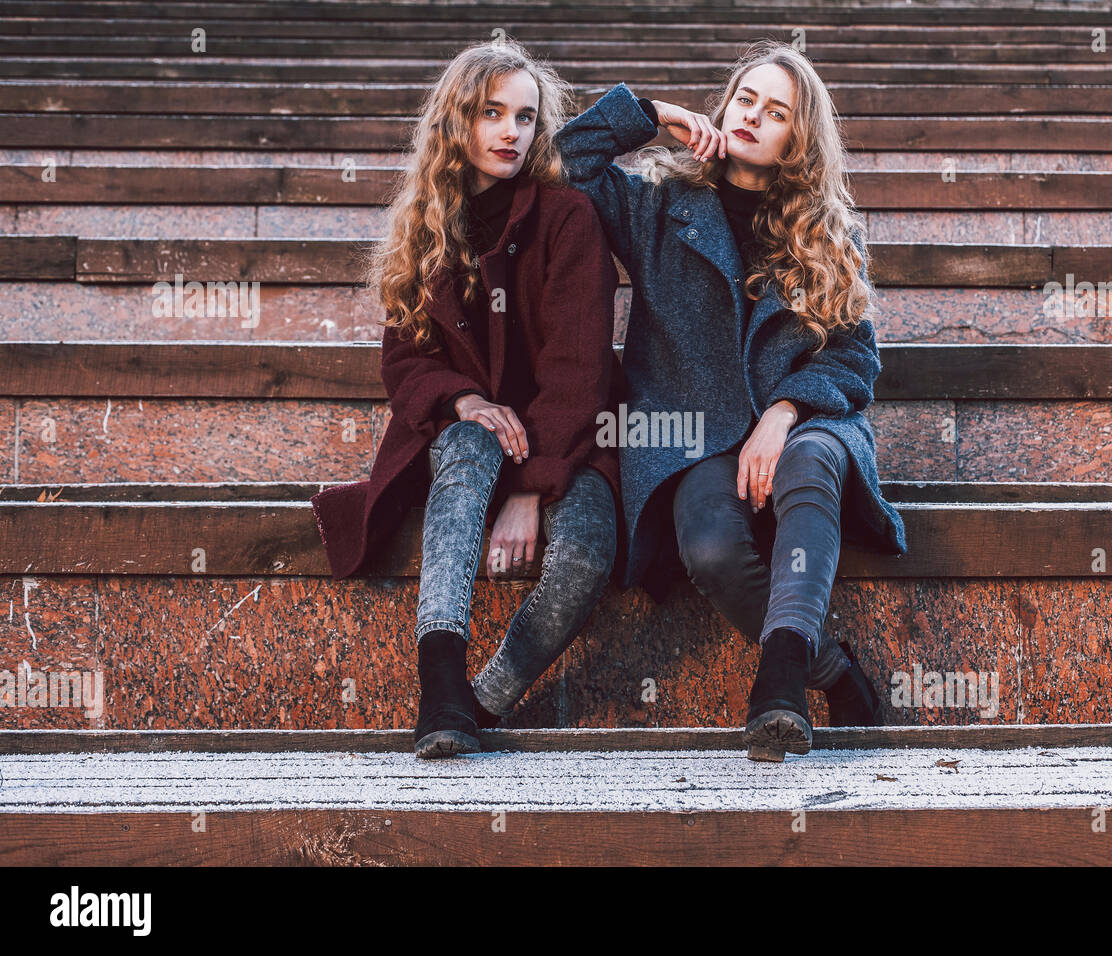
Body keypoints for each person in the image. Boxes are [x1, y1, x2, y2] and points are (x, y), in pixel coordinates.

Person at [555, 41, 908, 761]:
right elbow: (564, 164)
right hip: (693, 432)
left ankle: (777, 686)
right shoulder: (659, 202)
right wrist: (653, 114)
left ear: (797, 139)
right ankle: (833, 673)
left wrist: (782, 413)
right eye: (745, 98)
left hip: (811, 420)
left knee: (810, 464)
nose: (753, 117)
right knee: (712, 548)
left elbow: (854, 355)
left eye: (776, 112)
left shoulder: (827, 230)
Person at [310, 39, 622, 758]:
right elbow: (405, 361)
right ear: (458, 120)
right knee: (468, 443)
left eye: (525, 117)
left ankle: (478, 700)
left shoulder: (568, 216)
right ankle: (439, 677)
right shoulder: (427, 226)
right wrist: (461, 401)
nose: (511, 131)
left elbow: (580, 371)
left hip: (570, 437)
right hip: (463, 441)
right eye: (492, 113)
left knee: (585, 553)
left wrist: (532, 490)